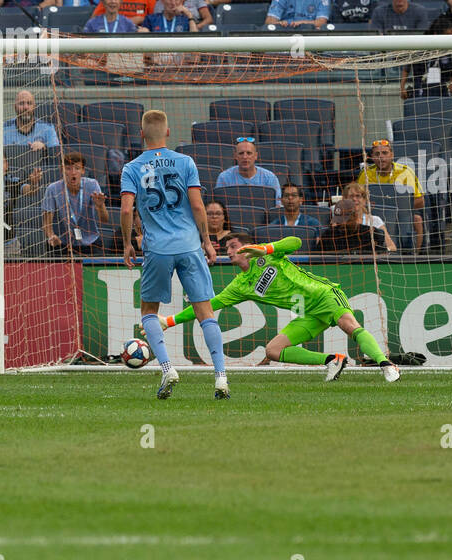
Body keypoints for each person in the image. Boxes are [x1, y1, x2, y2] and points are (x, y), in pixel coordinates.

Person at [165, 229, 403, 381]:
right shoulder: (240, 286)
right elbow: (208, 305)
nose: (229, 251)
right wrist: (169, 321)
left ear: (248, 246)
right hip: (308, 313)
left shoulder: (268, 255)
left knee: (350, 326)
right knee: (273, 351)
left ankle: (387, 364)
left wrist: (267, 248)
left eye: (233, 246)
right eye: (226, 249)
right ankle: (333, 360)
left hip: (324, 295)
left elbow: (296, 241)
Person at [119, 109, 228, 399]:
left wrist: (128, 243)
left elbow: (127, 209)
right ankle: (220, 378)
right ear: (168, 133)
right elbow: (197, 206)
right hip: (190, 245)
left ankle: (168, 368)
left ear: (141, 135)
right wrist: (206, 240)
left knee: (148, 312)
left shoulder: (131, 168)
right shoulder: (185, 162)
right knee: (205, 311)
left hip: (157, 248)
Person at [355, 138, 425, 250]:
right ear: (372, 157)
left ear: (391, 155)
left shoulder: (405, 172)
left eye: (385, 153)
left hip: (401, 215)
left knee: (417, 219)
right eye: (377, 154)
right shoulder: (366, 174)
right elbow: (356, 198)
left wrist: (400, 208)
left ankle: (415, 255)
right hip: (372, 214)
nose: (381, 157)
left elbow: (420, 201)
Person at [41, 150, 106, 255]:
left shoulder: (92, 185)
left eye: (77, 168)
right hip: (61, 243)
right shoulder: (52, 189)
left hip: (90, 242)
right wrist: (51, 236)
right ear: (62, 170)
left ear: (83, 171)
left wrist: (101, 206)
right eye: (68, 169)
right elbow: (46, 223)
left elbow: (105, 220)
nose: (73, 172)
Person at [215, 138, 281, 199]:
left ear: (256, 156)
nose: (245, 157)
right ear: (235, 156)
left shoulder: (270, 178)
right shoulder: (224, 177)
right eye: (241, 153)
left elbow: (278, 205)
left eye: (249, 153)